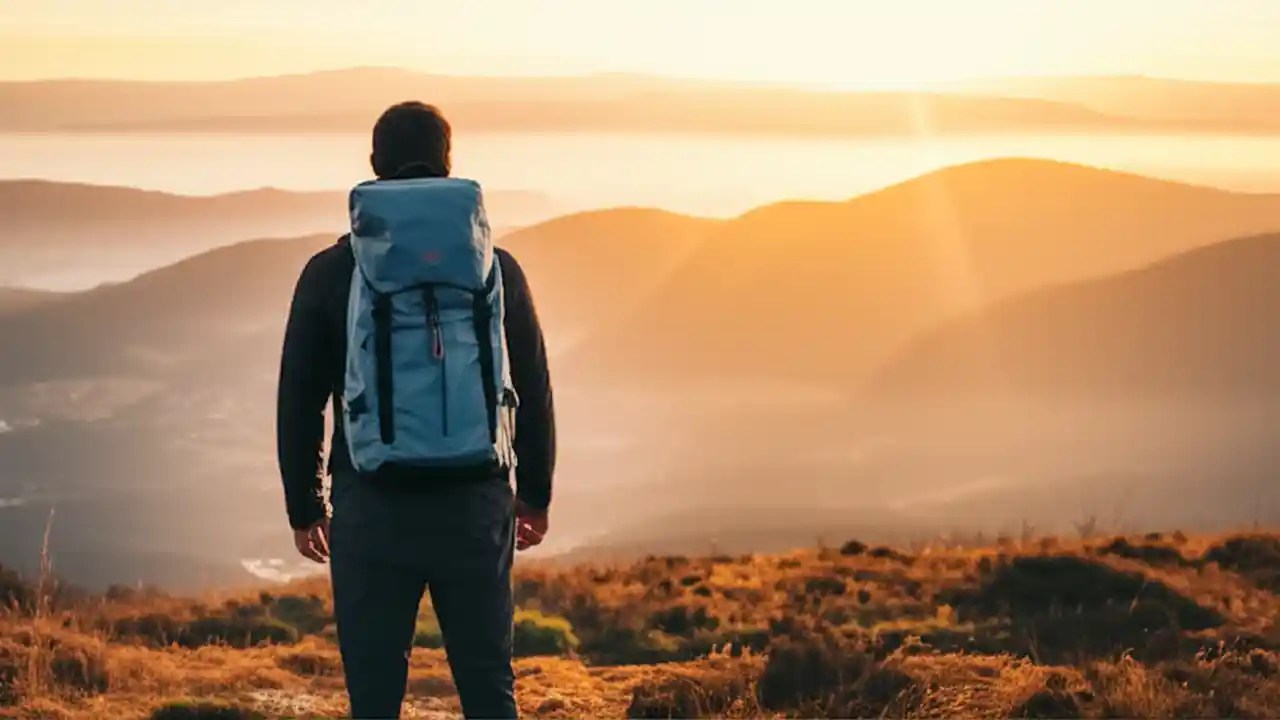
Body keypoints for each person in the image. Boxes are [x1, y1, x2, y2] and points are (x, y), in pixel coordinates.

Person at [276, 101, 556, 719]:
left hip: (371, 504)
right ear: (447, 164)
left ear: (375, 166)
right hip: (476, 503)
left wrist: (305, 506)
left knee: (374, 695)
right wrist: (534, 493)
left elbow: (300, 397)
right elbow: (532, 382)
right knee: (488, 685)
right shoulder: (494, 269)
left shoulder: (331, 271)